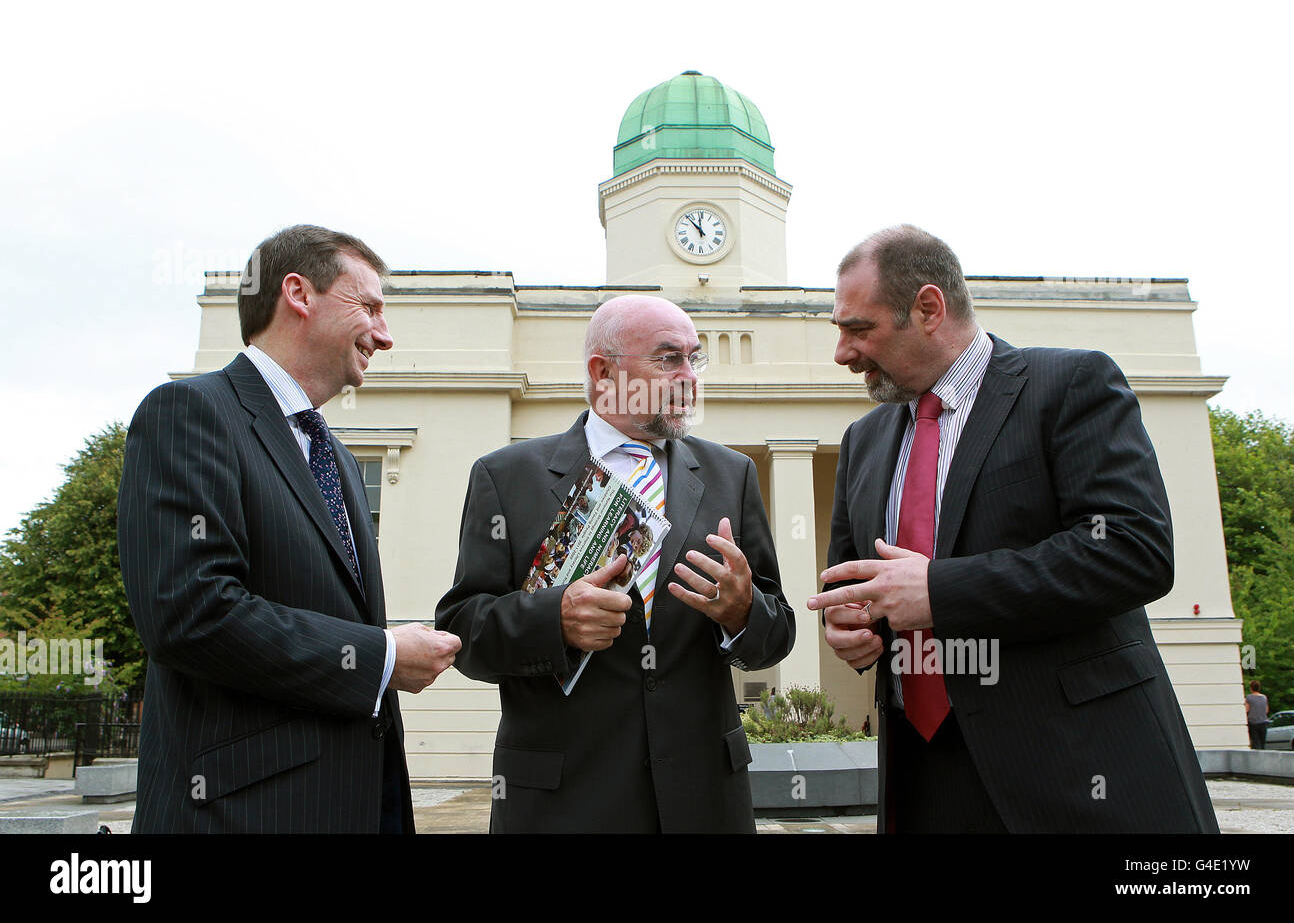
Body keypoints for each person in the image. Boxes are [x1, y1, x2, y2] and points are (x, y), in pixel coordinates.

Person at [808, 224, 1218, 833]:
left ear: (928, 308)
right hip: (924, 782)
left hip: (1076, 773)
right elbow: (858, 585)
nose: (842, 353)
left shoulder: (1069, 387)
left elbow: (1136, 551)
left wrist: (941, 591)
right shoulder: (863, 442)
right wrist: (849, 625)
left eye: (858, 329)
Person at [118, 224, 461, 833]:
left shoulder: (341, 461)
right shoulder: (190, 414)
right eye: (370, 307)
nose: (384, 335)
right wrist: (380, 656)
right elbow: (189, 612)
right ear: (299, 294)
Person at [435, 295, 794, 832]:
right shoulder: (507, 477)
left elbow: (778, 633)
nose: (689, 377)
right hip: (563, 803)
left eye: (694, 359)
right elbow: (464, 630)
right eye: (668, 358)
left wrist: (743, 614)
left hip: (703, 802)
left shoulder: (731, 475)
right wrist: (553, 620)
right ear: (604, 373)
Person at [1245, 680, 1269, 749]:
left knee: (1255, 742)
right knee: (1262, 743)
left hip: (1253, 722)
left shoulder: (1249, 697)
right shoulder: (1264, 697)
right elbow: (1266, 710)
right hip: (1263, 722)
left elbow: (1247, 709)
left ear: (1251, 688)